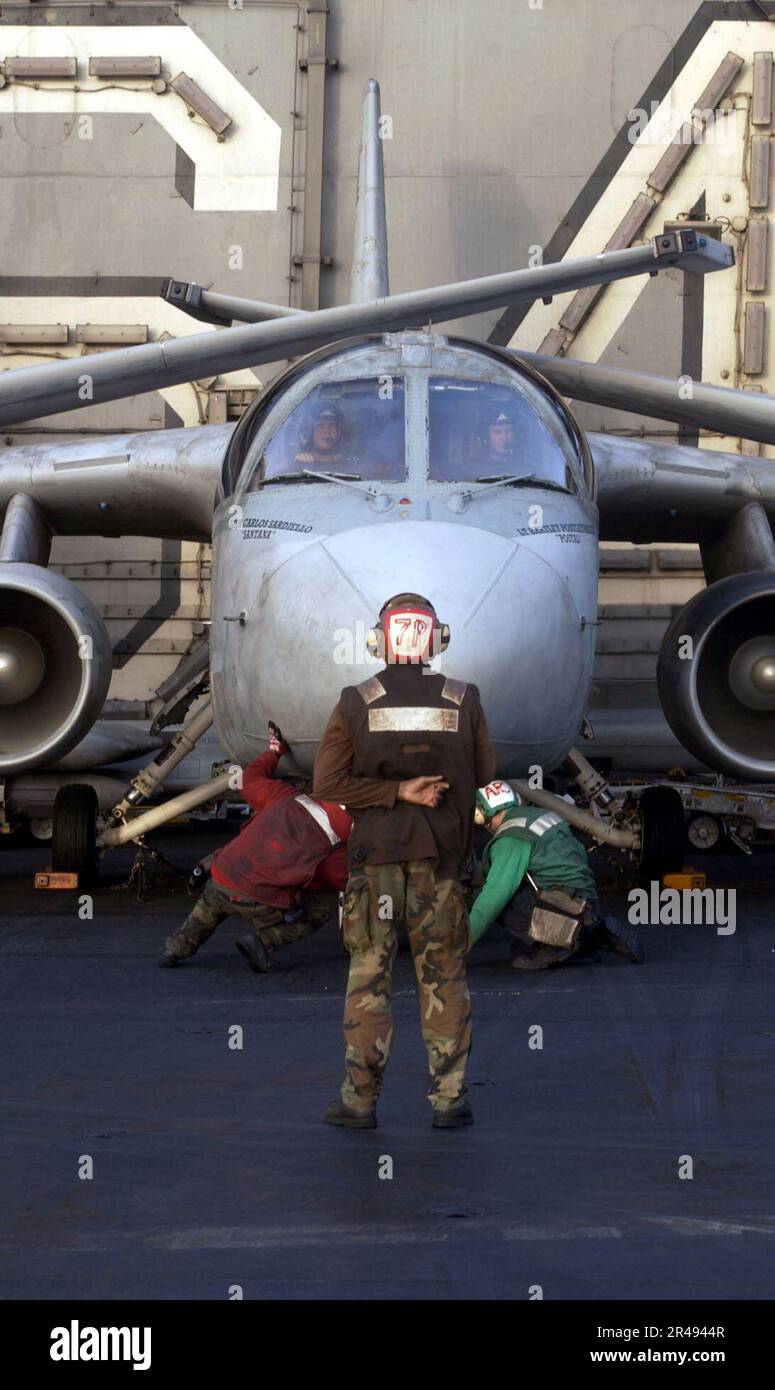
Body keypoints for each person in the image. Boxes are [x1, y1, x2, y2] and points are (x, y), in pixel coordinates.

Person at [313, 592, 495, 1130]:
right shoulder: (466, 698)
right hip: (440, 861)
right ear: (436, 639)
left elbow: (327, 783)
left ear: (380, 640)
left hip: (376, 864)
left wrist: (392, 793)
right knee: (444, 976)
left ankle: (360, 1102)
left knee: (369, 975)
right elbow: (484, 775)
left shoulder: (355, 700)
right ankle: (449, 1100)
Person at [160, 721, 351, 970]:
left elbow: (249, 779)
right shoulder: (330, 847)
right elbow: (350, 880)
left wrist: (274, 752)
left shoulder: (284, 796)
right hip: (257, 899)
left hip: (222, 874)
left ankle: (175, 948)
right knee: (318, 912)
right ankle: (262, 941)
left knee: (207, 911)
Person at [469, 781, 644, 970]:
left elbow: (495, 895)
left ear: (482, 812)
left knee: (493, 897)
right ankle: (590, 931)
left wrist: (463, 941)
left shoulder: (512, 837)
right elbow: (579, 853)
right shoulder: (543, 815)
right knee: (521, 933)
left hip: (561, 904)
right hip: (586, 900)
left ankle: (556, 944)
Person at [293, 403, 354, 470]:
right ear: (309, 433)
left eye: (332, 426)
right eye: (321, 426)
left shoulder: (353, 465)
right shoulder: (297, 465)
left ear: (340, 433)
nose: (327, 431)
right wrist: (296, 461)